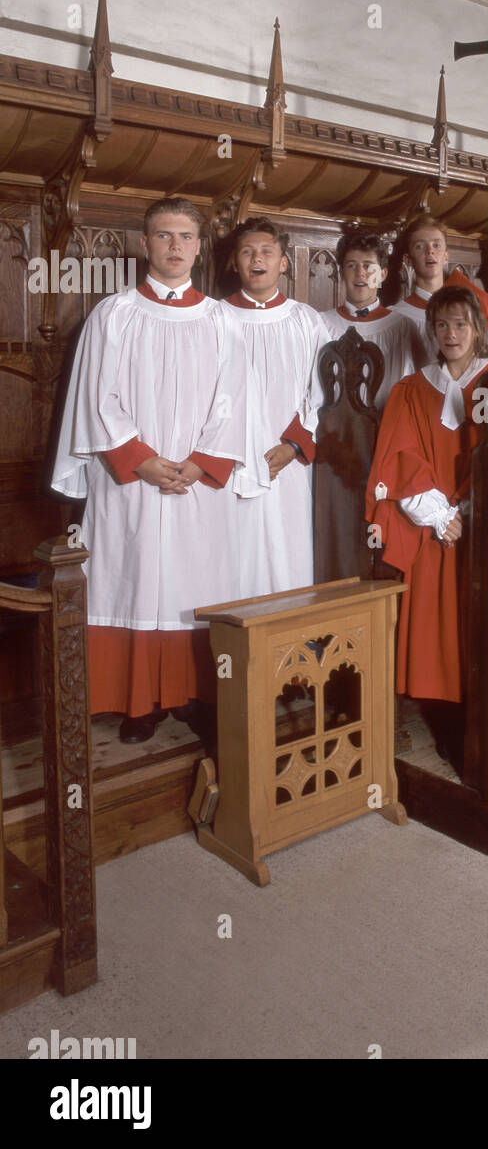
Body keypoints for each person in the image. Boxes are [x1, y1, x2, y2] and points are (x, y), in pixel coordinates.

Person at [51, 197, 262, 742]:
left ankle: (196, 695)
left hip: (196, 483)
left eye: (185, 237)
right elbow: (100, 397)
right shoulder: (115, 314)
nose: (175, 247)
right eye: (164, 236)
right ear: (145, 244)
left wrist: (200, 463)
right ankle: (137, 702)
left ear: (199, 246)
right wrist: (140, 461)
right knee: (135, 576)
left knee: (197, 583)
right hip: (132, 482)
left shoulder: (221, 320)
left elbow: (234, 400)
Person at [365, 286, 488, 749]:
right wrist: (440, 515)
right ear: (431, 330)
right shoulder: (411, 389)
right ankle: (438, 709)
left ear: (478, 328)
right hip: (432, 527)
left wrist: (470, 509)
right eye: (442, 324)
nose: (452, 333)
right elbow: (400, 458)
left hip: (485, 525)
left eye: (462, 323)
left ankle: (477, 717)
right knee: (433, 618)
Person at [223, 217, 330, 598]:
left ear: (283, 263)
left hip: (290, 463)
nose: (257, 259)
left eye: (267, 251)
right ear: (235, 262)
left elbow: (322, 393)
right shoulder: (215, 318)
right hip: (230, 459)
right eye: (247, 252)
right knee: (233, 560)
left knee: (289, 559)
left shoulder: (306, 321)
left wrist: (295, 445)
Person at [321, 227, 425, 409]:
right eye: (352, 265)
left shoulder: (402, 327)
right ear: (342, 273)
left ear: (382, 274)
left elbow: (423, 387)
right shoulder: (321, 323)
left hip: (387, 428)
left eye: (368, 266)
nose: (360, 273)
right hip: (333, 431)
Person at [390, 215, 451, 360]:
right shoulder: (394, 317)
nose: (430, 251)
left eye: (436, 245)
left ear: (446, 256)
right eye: (420, 246)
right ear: (408, 260)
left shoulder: (466, 311)